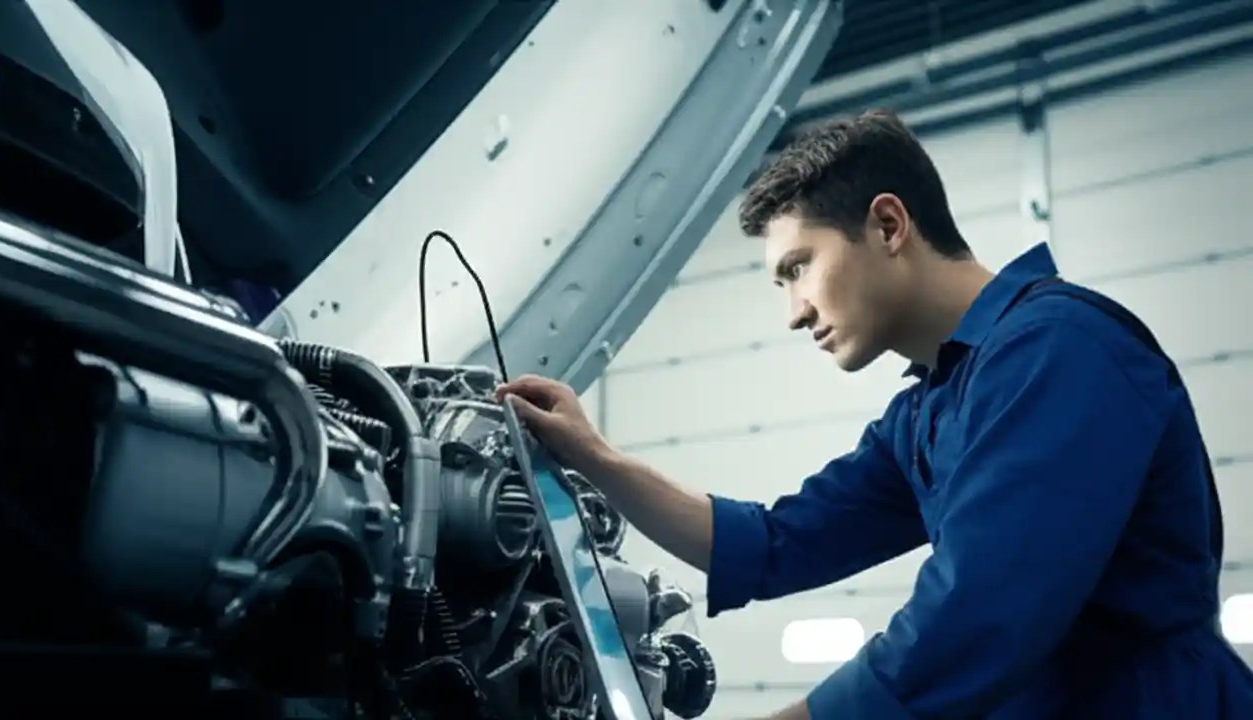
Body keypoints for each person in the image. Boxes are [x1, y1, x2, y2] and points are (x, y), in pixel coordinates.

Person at [495, 109, 1253, 719]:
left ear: (888, 226)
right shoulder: (931, 407)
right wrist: (593, 455)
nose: (795, 312)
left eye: (799, 268)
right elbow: (777, 544)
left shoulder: (1060, 352)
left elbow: (978, 617)